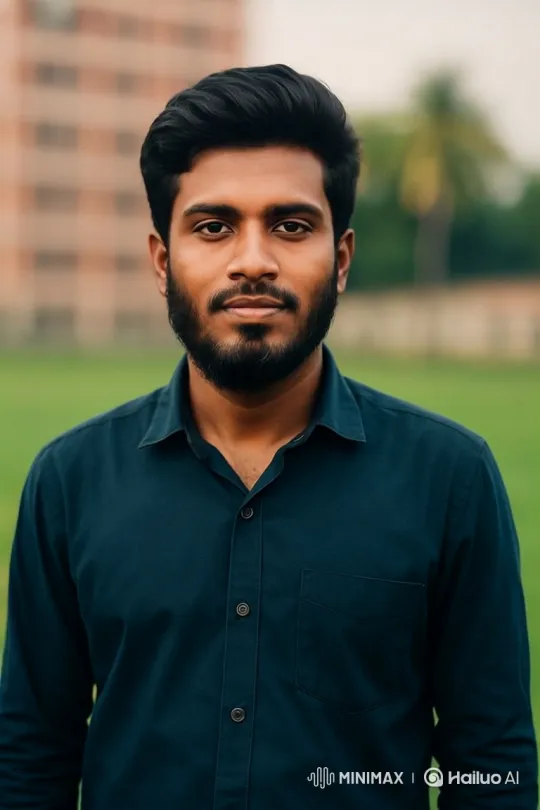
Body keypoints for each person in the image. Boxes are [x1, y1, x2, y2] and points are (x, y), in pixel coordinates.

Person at [0, 64, 536, 810]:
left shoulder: (450, 478)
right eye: (213, 227)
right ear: (163, 261)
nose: (253, 260)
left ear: (340, 259)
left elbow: (493, 761)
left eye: (291, 225)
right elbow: (31, 755)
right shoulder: (69, 482)